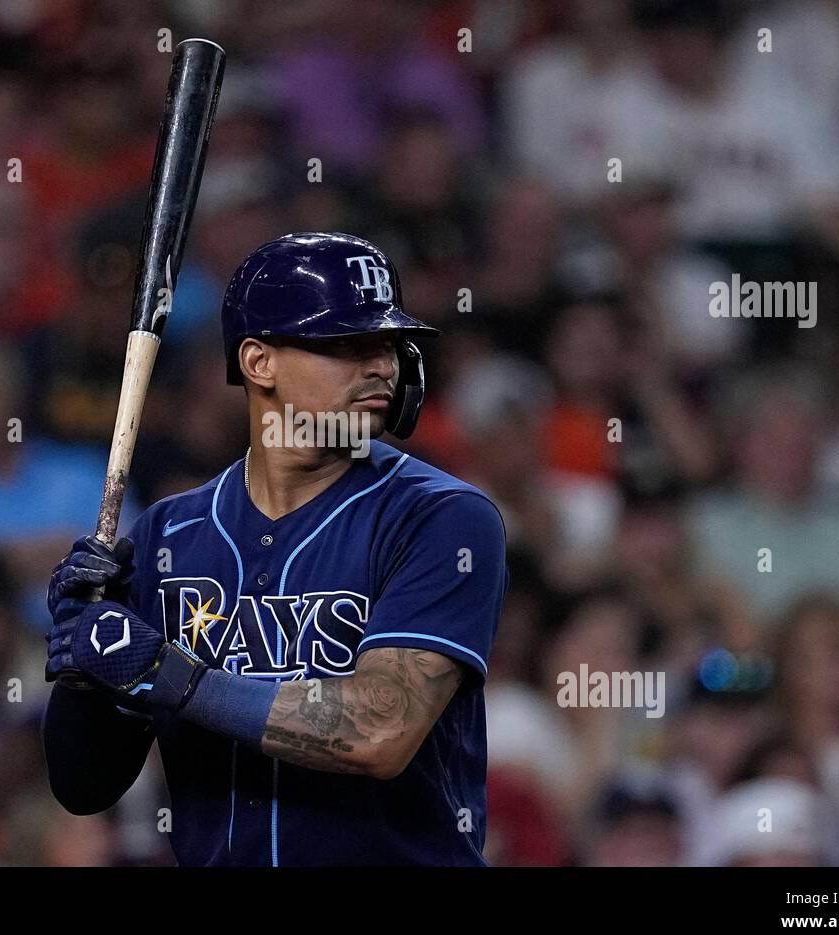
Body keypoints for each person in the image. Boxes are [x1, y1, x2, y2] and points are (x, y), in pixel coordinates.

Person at [41, 233, 509, 865]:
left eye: (389, 345)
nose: (382, 366)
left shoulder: (442, 517)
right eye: (347, 344)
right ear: (259, 362)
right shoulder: (167, 536)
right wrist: (85, 671)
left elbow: (379, 729)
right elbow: (83, 787)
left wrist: (166, 673)